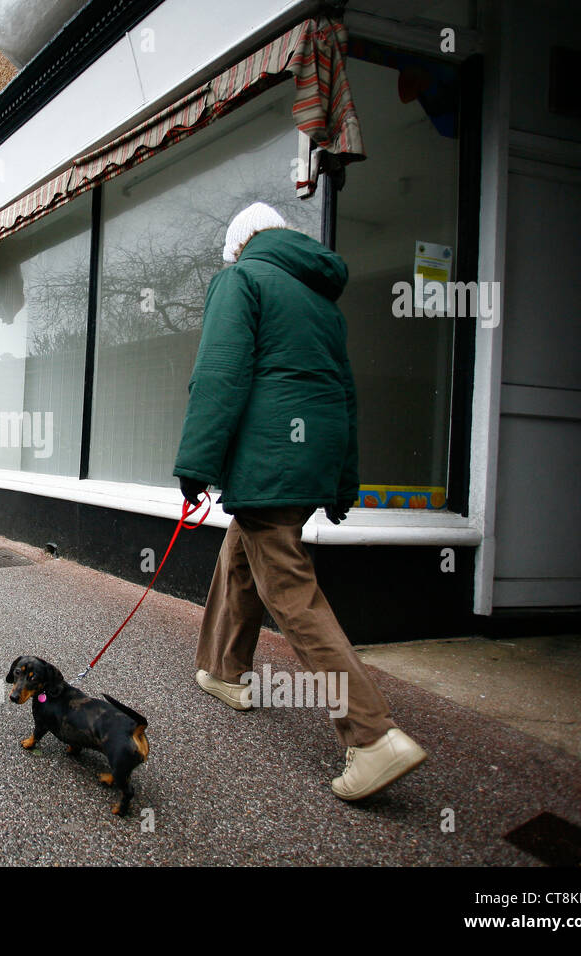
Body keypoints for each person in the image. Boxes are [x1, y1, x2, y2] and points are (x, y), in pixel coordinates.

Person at [174, 201, 426, 800]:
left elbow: (220, 374)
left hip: (268, 462)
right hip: (306, 460)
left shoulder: (240, 279)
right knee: (245, 555)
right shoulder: (321, 303)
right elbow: (345, 395)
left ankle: (371, 736)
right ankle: (228, 672)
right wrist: (342, 482)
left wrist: (196, 464)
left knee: (289, 588)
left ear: (240, 245)